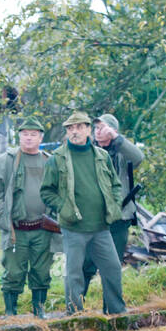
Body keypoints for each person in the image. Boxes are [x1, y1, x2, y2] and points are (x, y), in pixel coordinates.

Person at [40, 111, 125, 314]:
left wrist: (114, 205)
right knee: (74, 274)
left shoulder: (102, 156)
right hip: (74, 228)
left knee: (112, 269)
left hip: (101, 227)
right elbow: (46, 191)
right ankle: (75, 316)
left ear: (88, 129)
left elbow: (115, 185)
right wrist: (63, 207)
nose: (74, 132)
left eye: (79, 127)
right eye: (70, 128)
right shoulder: (57, 159)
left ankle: (117, 313)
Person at [0, 117, 54, 317]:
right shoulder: (6, 160)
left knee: (42, 272)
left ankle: (39, 311)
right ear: (19, 136)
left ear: (41, 137)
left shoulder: (49, 161)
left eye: (33, 134)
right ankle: (10, 312)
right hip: (16, 229)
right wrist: (4, 214)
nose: (29, 138)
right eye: (25, 134)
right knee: (13, 272)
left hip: (43, 228)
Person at [83, 112, 144, 286]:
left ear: (113, 130)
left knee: (112, 266)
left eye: (102, 128)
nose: (98, 131)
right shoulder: (88, 150)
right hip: (93, 217)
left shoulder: (122, 152)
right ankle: (76, 306)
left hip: (119, 217)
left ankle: (111, 307)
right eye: (96, 128)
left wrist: (117, 138)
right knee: (86, 264)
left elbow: (139, 157)